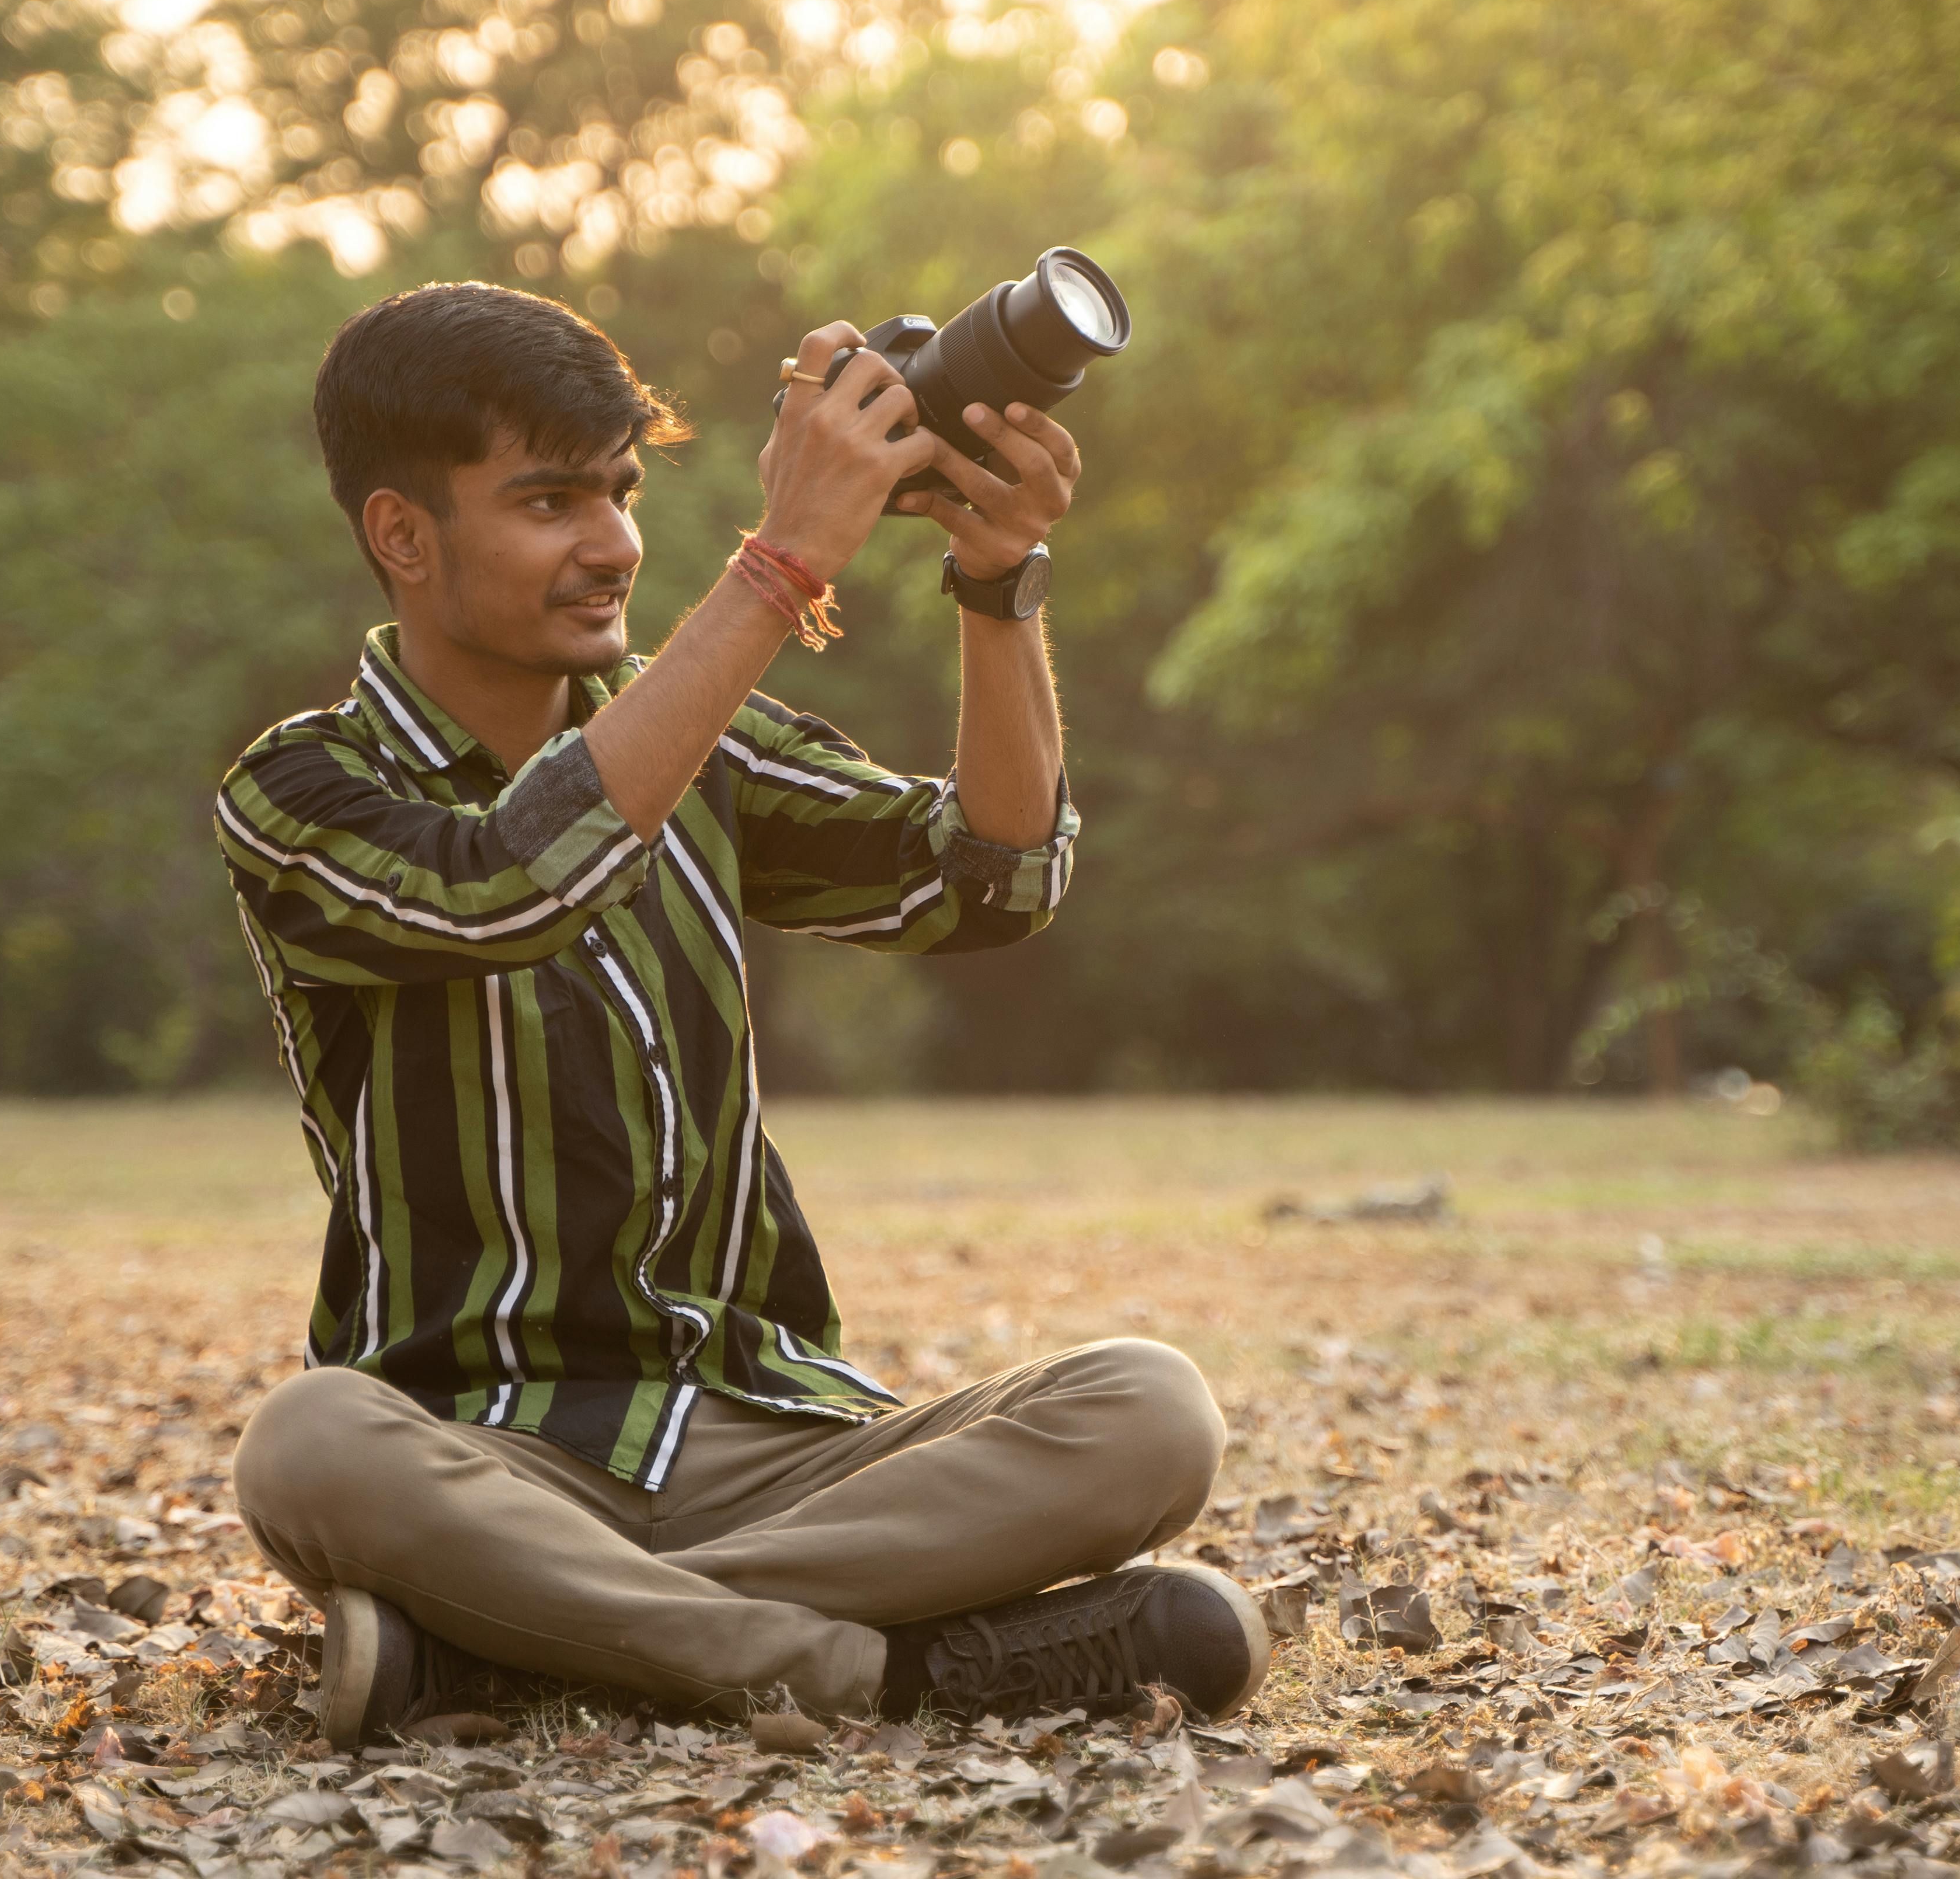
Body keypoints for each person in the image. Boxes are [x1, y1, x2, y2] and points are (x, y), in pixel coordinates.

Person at [214, 283, 1264, 1746]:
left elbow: (993, 880)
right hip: (483, 1449)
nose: (613, 545)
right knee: (308, 1441)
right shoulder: (297, 790)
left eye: (622, 492)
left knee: (1149, 1409)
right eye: (550, 502)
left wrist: (999, 581)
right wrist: (781, 566)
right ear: (403, 533)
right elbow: (508, 882)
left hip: (768, 1432)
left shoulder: (707, 737)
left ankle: (516, 1646)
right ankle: (895, 1672)